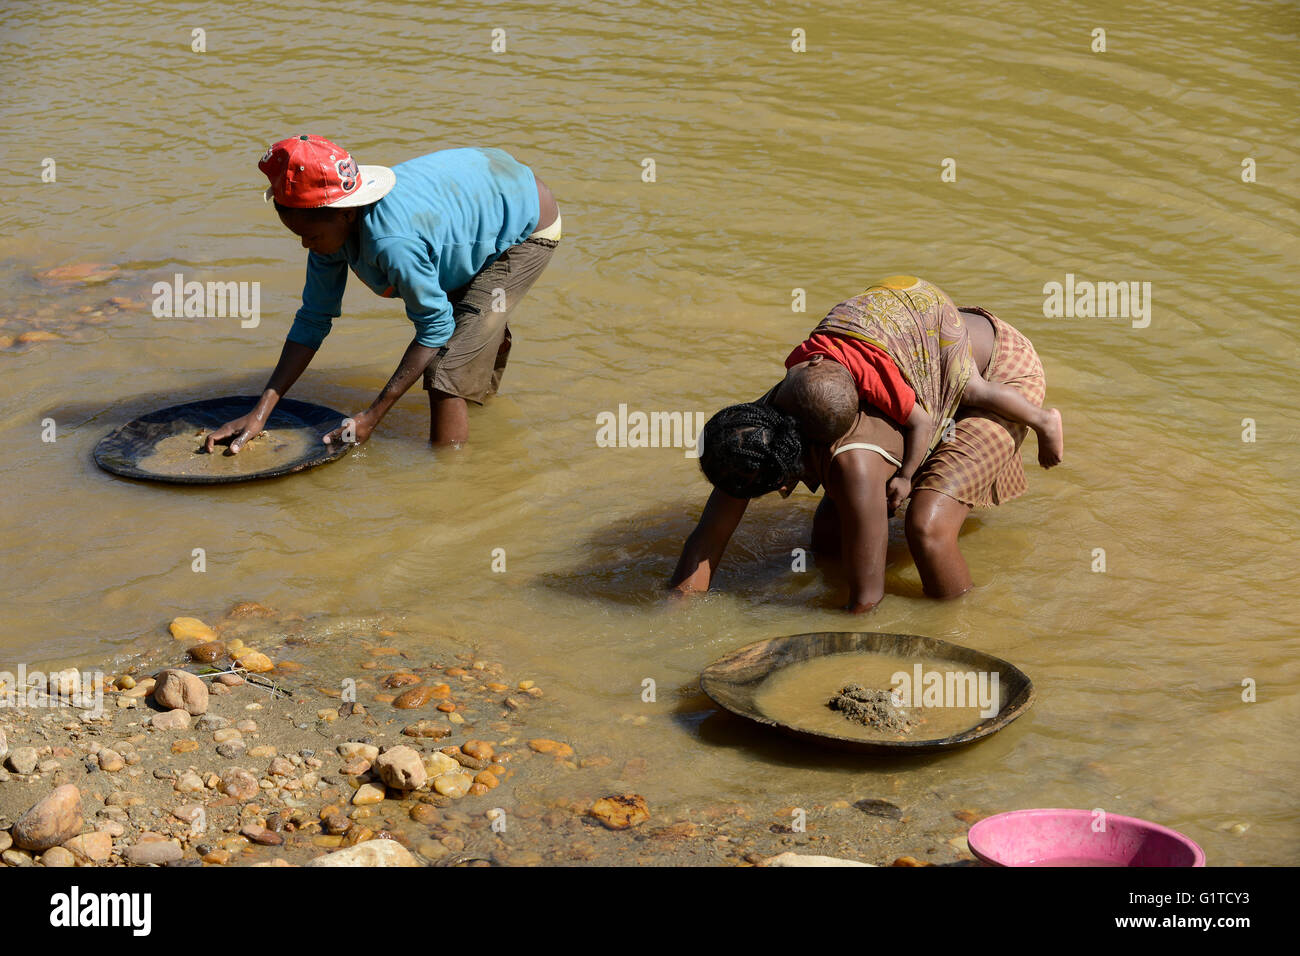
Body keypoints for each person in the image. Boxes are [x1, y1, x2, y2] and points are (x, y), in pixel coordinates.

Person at [669, 276, 1053, 610]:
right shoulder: (755, 431)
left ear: (786, 483)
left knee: (926, 528)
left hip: (998, 367)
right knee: (827, 540)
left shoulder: (854, 464)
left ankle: (960, 619)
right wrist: (676, 610)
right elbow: (708, 536)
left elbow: (868, 600)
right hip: (925, 333)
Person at [205, 134, 561, 454]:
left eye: (311, 237)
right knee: (469, 335)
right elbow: (313, 319)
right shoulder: (328, 236)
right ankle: (485, 410)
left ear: (345, 213)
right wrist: (260, 412)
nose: (305, 245)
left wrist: (373, 415)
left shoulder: (392, 243)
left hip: (524, 224)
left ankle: (451, 481)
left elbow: (434, 329)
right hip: (472, 207)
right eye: (297, 235)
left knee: (444, 368)